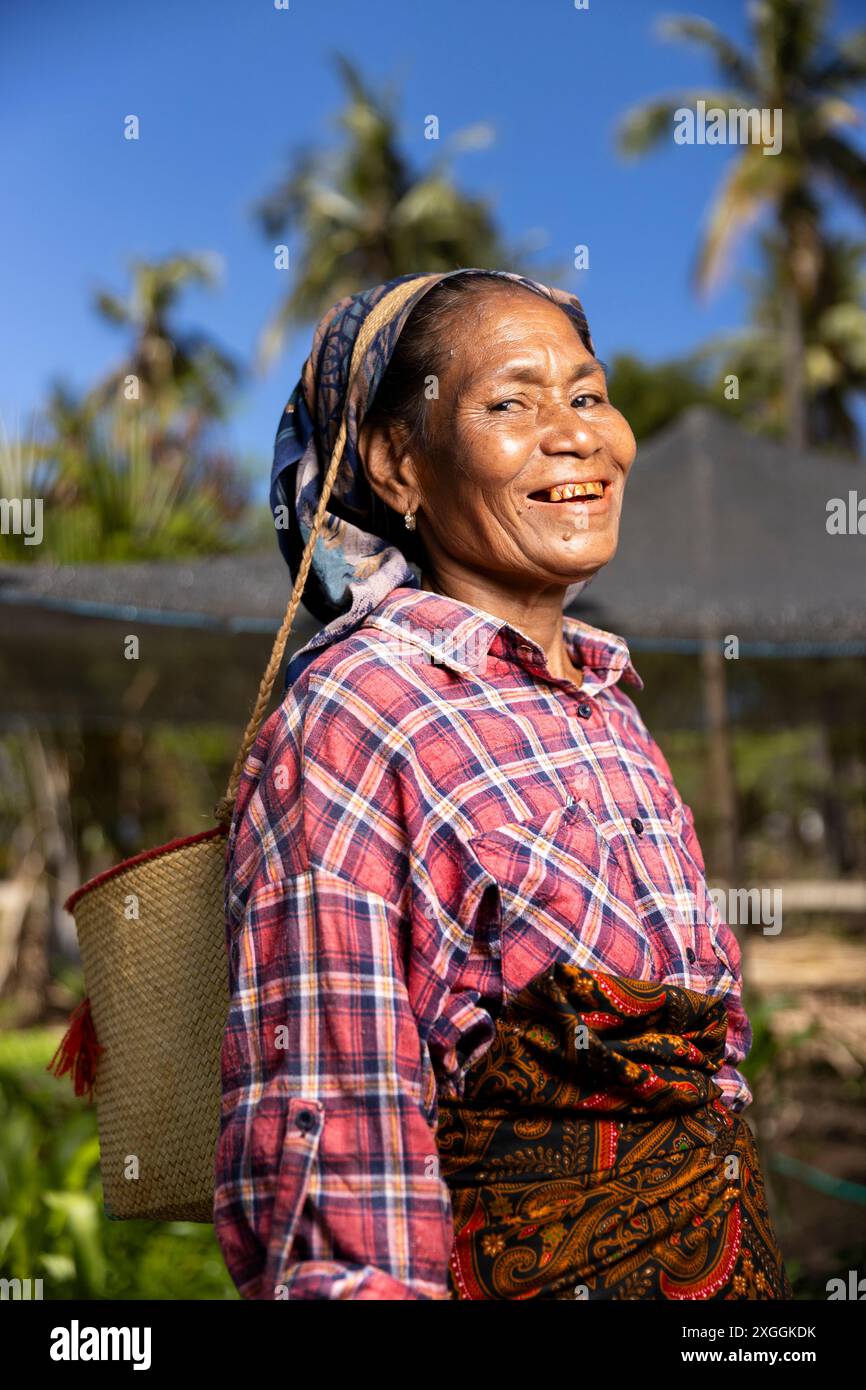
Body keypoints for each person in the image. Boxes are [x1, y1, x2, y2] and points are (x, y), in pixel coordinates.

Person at [213, 268, 792, 1301]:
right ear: (397, 465)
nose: (576, 435)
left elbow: (710, 1068)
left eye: (585, 394)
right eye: (510, 403)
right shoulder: (356, 714)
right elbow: (338, 1132)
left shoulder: (609, 702)